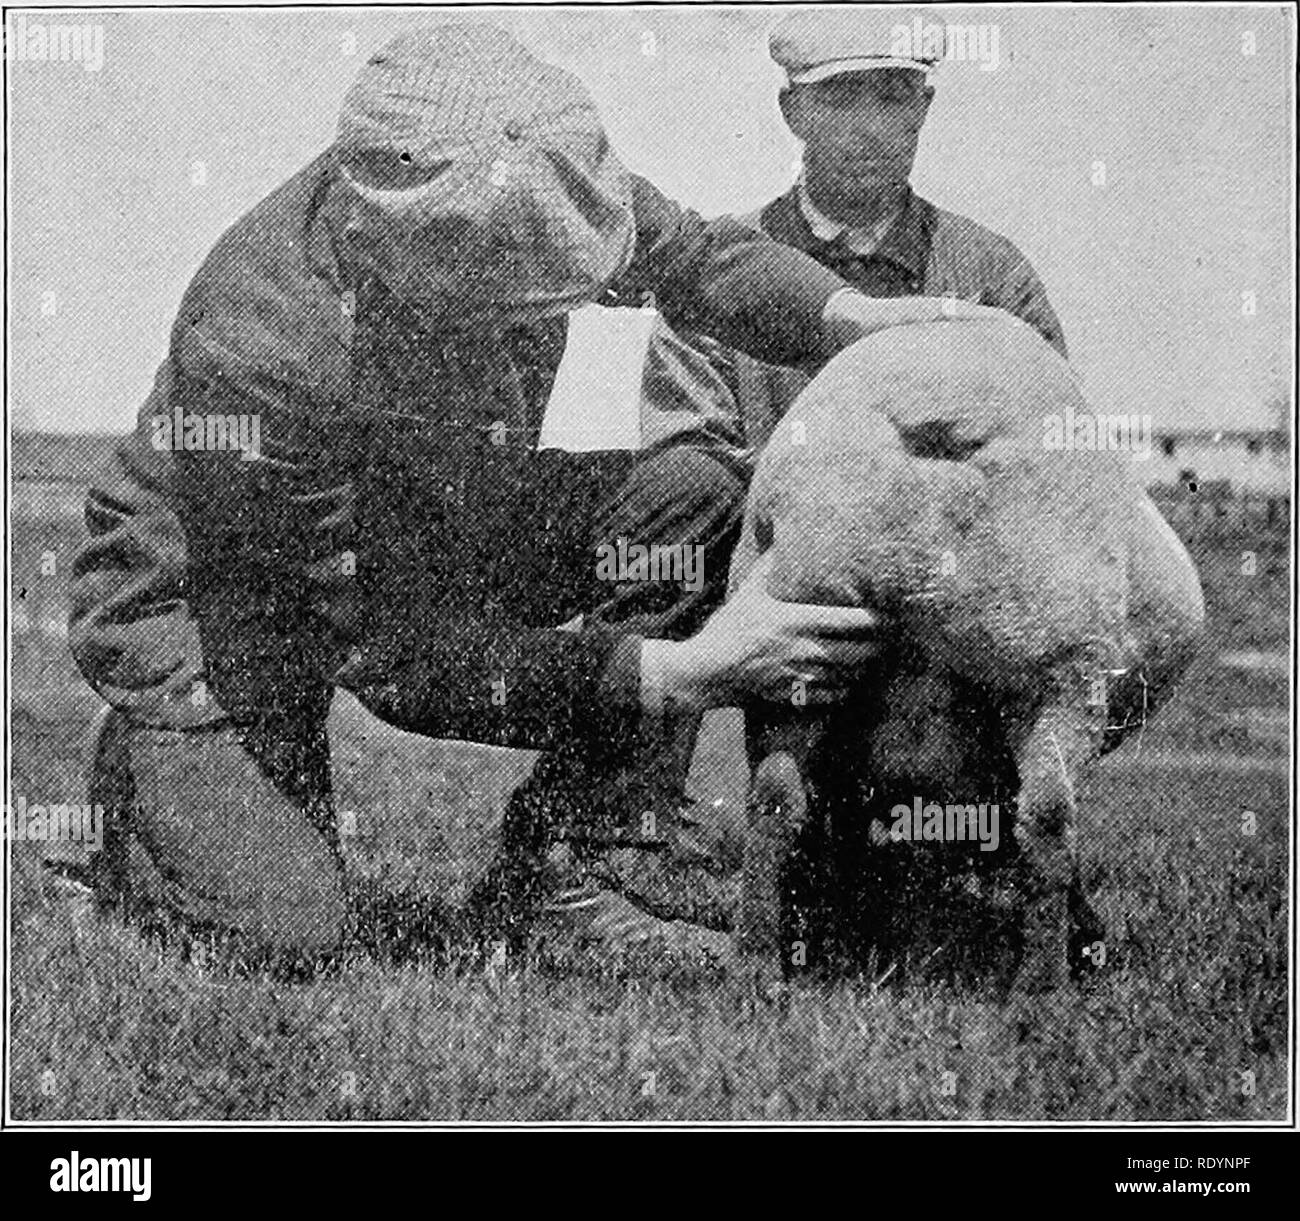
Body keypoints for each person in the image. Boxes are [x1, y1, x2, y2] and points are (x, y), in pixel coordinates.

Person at [69, 24, 1012, 974]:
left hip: (446, 510)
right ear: (419, 267)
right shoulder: (263, 344)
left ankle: (561, 878)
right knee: (291, 935)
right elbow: (391, 654)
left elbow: (692, 259)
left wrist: (851, 316)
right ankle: (148, 770)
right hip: (231, 616)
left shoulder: (519, 158)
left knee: (688, 496)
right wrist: (681, 673)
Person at [700, 8, 1068, 448]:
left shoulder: (991, 279)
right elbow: (692, 483)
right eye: (839, 98)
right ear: (792, 111)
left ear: (923, 108)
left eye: (893, 97)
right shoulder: (715, 269)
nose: (869, 128)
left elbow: (1054, 461)